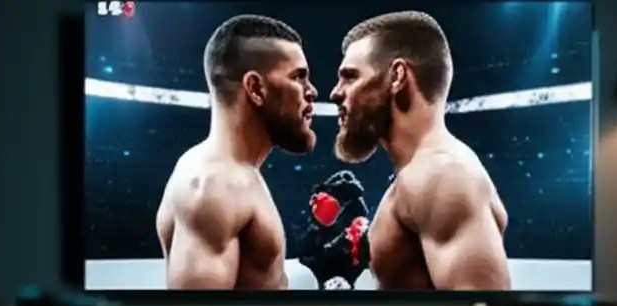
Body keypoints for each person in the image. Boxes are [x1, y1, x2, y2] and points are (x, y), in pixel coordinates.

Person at [331, 11, 511, 291]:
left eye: (350, 77)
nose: (335, 92)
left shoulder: (441, 175)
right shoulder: (422, 172)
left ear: (397, 76)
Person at [156, 15, 317, 289]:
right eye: (298, 77)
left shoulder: (229, 172)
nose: (311, 91)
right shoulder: (216, 186)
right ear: (255, 88)